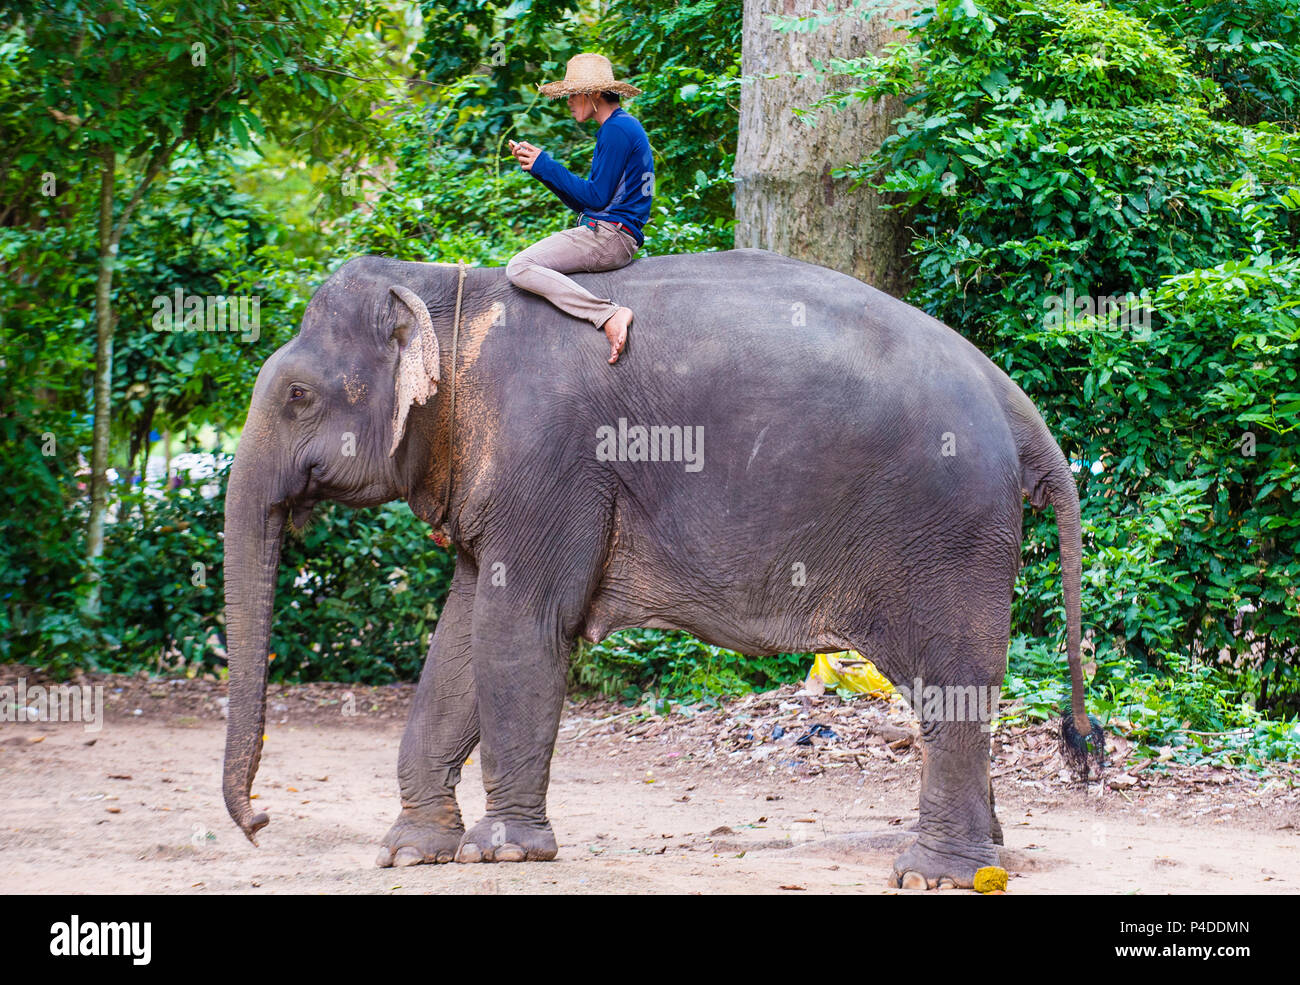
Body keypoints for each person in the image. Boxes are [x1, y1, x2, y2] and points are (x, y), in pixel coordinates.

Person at [506, 53, 653, 365]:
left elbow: (596, 198)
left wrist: (547, 164)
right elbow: (586, 201)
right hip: (609, 231)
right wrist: (539, 168)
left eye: (573, 94)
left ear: (595, 94)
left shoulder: (617, 130)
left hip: (610, 236)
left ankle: (608, 314)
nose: (569, 102)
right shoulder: (619, 127)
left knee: (519, 267)